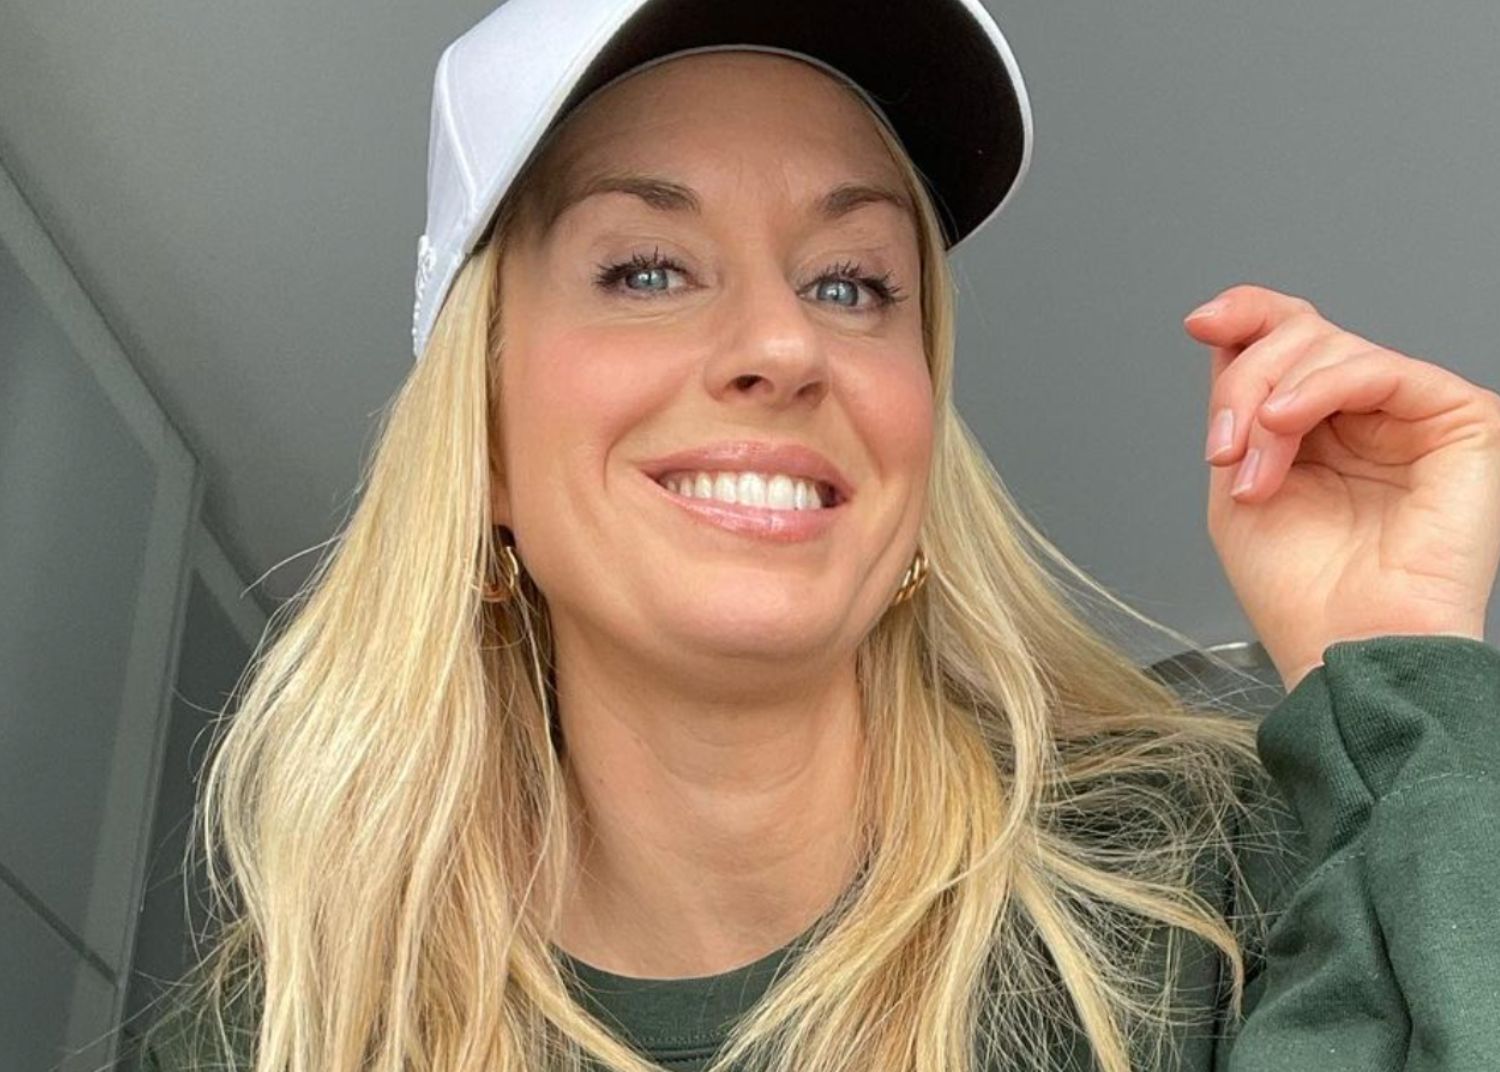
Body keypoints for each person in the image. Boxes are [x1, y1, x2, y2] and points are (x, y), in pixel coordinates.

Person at [133, 2, 1500, 1071]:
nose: (784, 346)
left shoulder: (1211, 889)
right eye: (647, 269)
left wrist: (1397, 659)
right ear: (480, 438)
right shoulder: (282, 1035)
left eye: (851, 284)